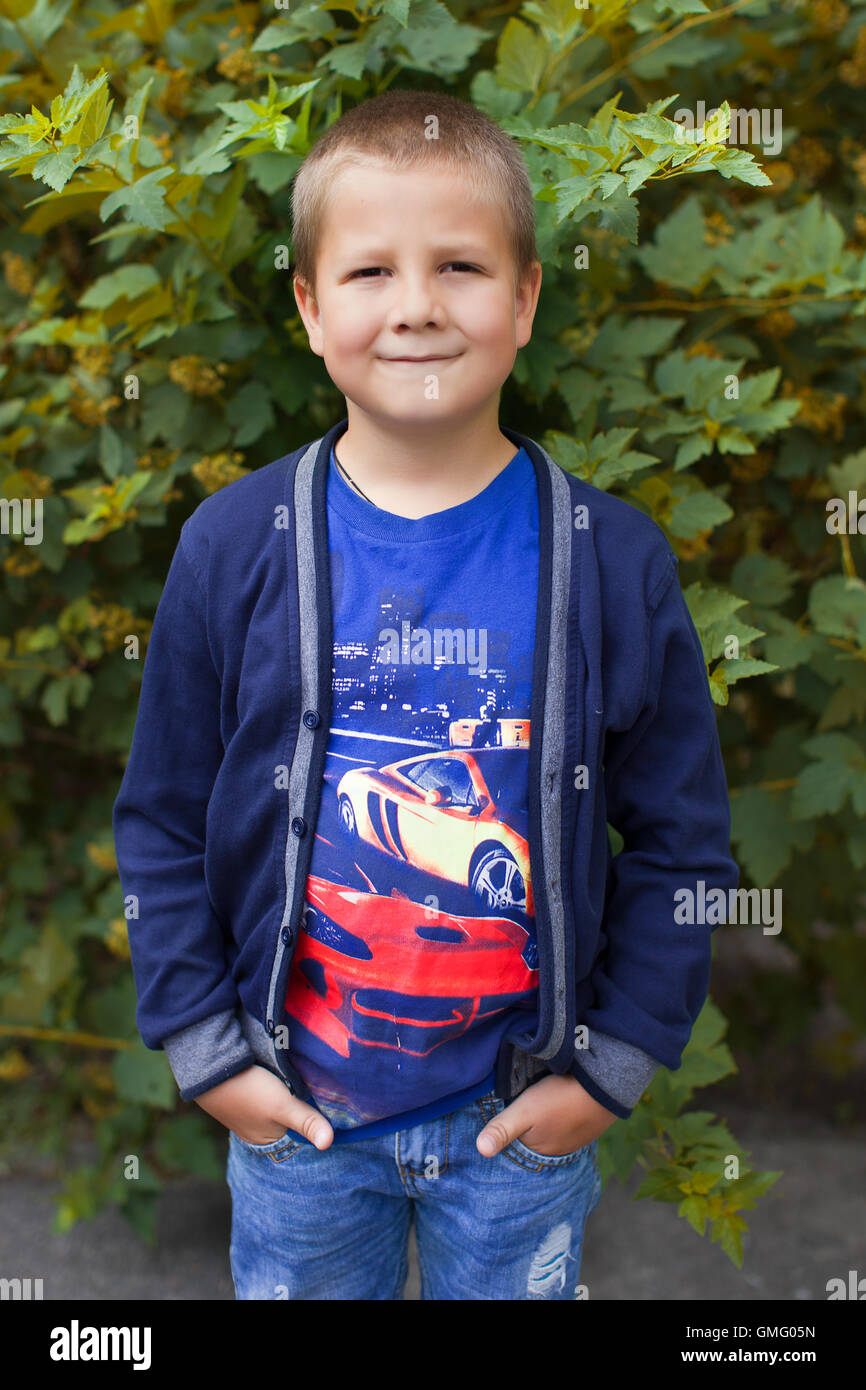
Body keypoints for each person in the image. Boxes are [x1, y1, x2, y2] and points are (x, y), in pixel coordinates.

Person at [113, 88, 739, 1300]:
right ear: (306, 307)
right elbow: (161, 820)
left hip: (514, 1133)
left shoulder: (608, 558)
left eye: (458, 265)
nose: (413, 307)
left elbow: (681, 840)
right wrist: (204, 1049)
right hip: (296, 1126)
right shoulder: (232, 546)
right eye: (367, 273)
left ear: (524, 299)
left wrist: (607, 1069)